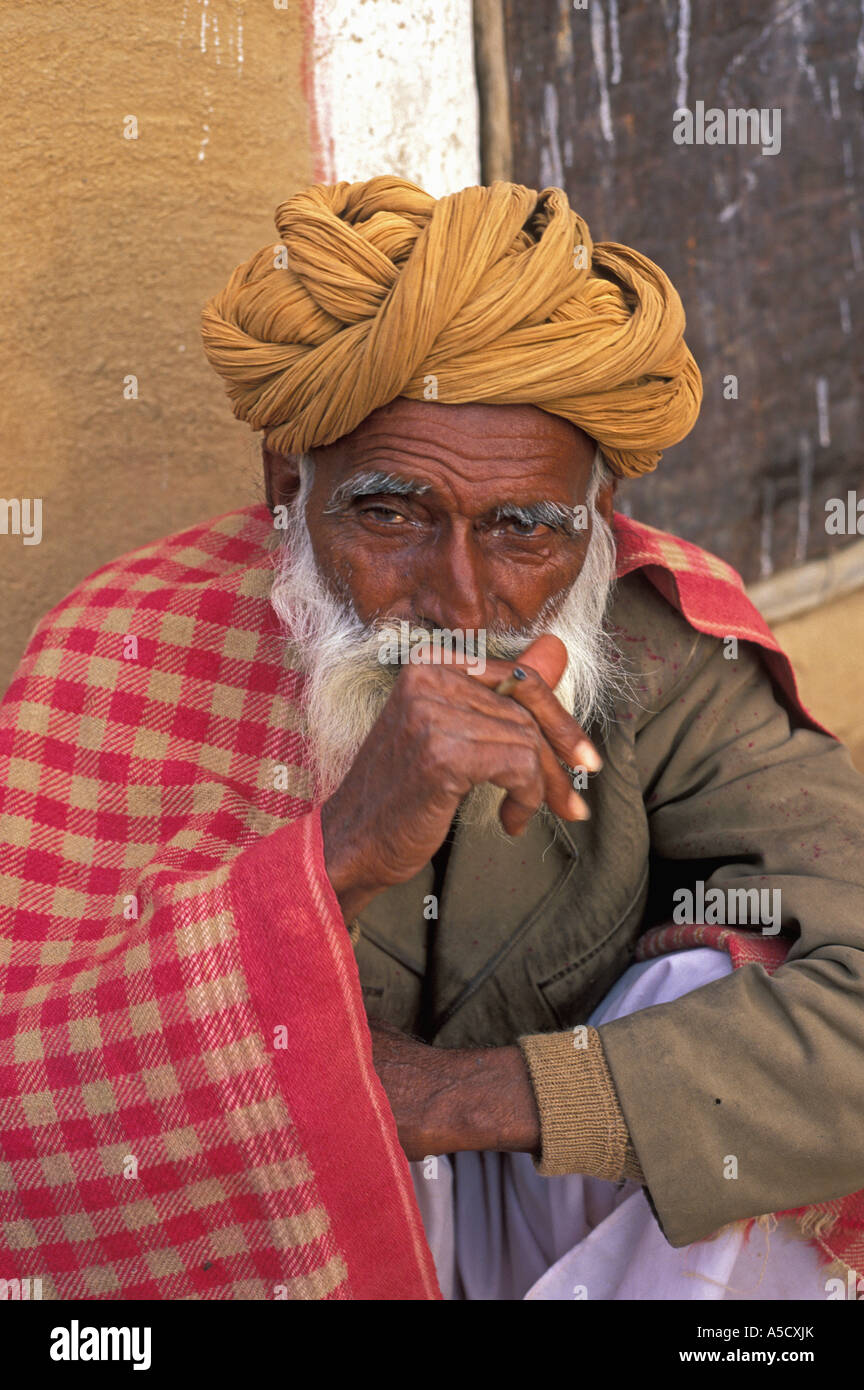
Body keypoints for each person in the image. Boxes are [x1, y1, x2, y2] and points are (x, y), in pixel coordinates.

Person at [1, 176, 862, 1301]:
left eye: (523, 529)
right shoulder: (126, 655)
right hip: (284, 1224)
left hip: (532, 1175)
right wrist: (340, 854)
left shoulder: (668, 650)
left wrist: (457, 1099)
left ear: (597, 522)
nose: (459, 601)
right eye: (391, 514)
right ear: (286, 488)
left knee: (724, 996)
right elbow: (38, 1115)